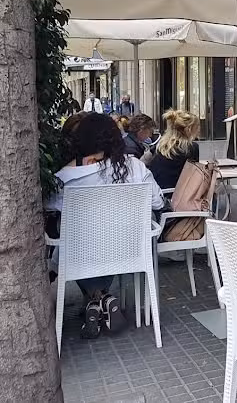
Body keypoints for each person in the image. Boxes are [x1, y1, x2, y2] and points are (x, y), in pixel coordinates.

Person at [45, 113, 164, 339]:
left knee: (72, 237)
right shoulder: (135, 167)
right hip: (129, 252)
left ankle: (95, 299)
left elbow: (46, 203)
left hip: (80, 257)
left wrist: (72, 166)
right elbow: (157, 201)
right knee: (95, 242)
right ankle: (103, 298)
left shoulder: (65, 178)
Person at [147, 109, 201, 191]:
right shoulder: (191, 148)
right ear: (188, 130)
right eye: (197, 127)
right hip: (176, 193)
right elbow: (192, 176)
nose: (199, 130)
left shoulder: (160, 145)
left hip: (156, 192)